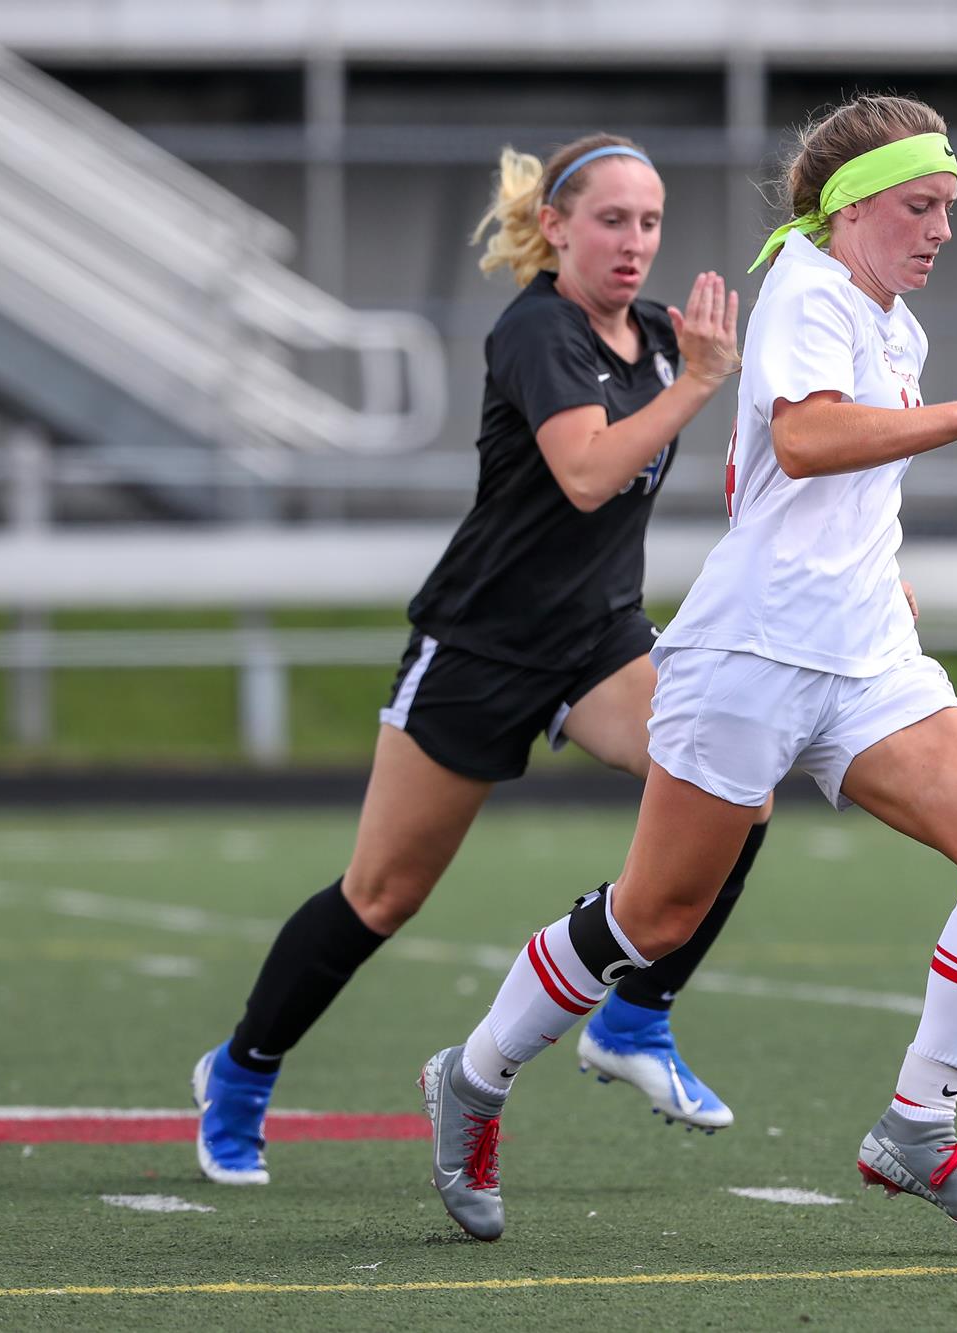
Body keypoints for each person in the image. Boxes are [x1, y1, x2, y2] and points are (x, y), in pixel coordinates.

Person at [415, 93, 957, 1244]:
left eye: (948, 207)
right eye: (921, 205)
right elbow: (810, 438)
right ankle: (471, 1076)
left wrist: (884, 571)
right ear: (854, 206)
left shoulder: (895, 324)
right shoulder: (804, 291)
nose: (941, 229)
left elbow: (825, 483)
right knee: (652, 917)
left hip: (865, 655)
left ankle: (916, 1125)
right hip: (750, 655)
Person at [190, 133, 772, 1186]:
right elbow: (588, 473)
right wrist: (695, 386)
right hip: (480, 647)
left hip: (595, 642)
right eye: (610, 220)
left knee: (735, 783)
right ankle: (239, 1070)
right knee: (381, 894)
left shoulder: (655, 334)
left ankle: (635, 1016)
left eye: (649, 222)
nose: (634, 242)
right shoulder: (537, 329)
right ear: (554, 227)